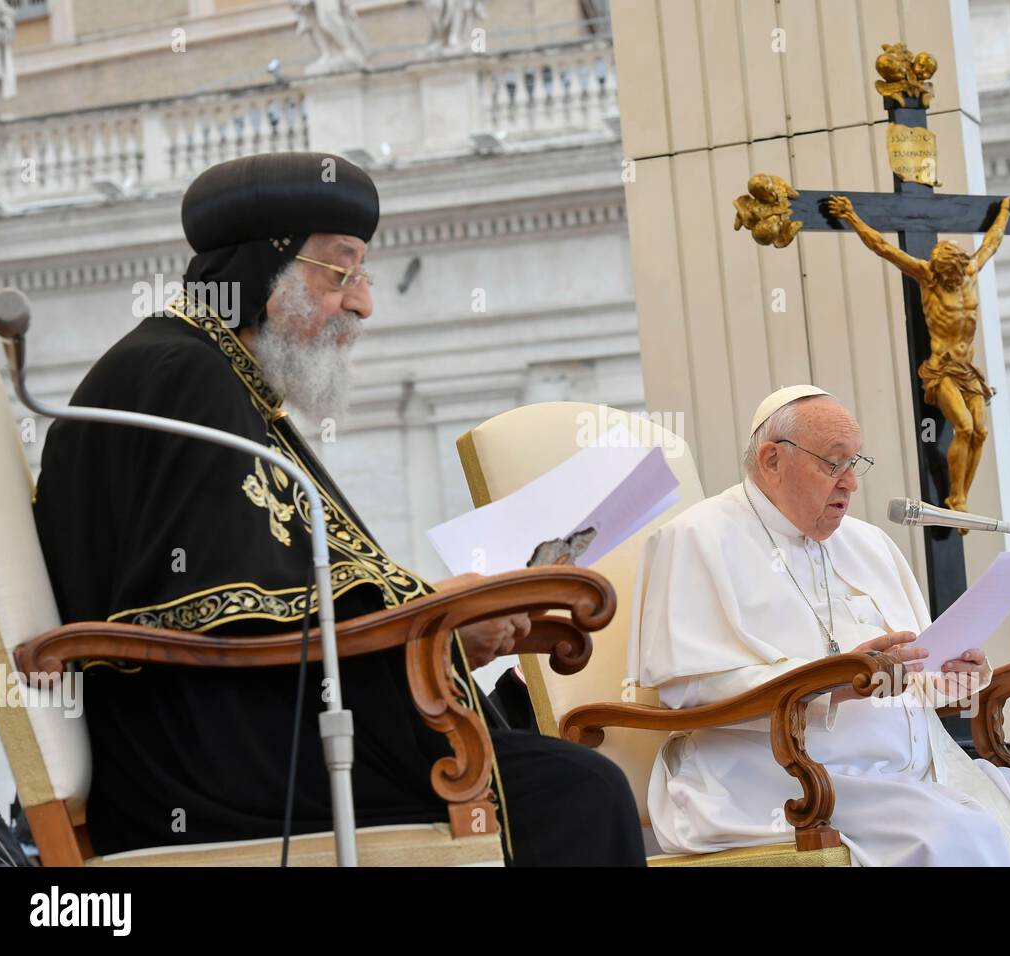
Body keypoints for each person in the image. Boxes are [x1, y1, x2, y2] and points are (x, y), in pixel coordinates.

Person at [33, 152, 644, 866]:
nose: (363, 303)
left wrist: (443, 625)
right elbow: (216, 611)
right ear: (264, 268)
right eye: (340, 270)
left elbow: (280, 589)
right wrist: (433, 614)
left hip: (241, 735)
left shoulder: (219, 375)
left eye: (364, 274)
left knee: (552, 762)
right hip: (207, 765)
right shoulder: (180, 375)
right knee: (576, 790)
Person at [630, 384, 1010, 866]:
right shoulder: (695, 538)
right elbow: (688, 688)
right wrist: (828, 685)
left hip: (915, 773)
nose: (850, 483)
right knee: (953, 832)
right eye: (832, 462)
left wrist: (948, 679)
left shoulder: (869, 543)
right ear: (772, 460)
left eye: (855, 463)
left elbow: (911, 673)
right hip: (777, 777)